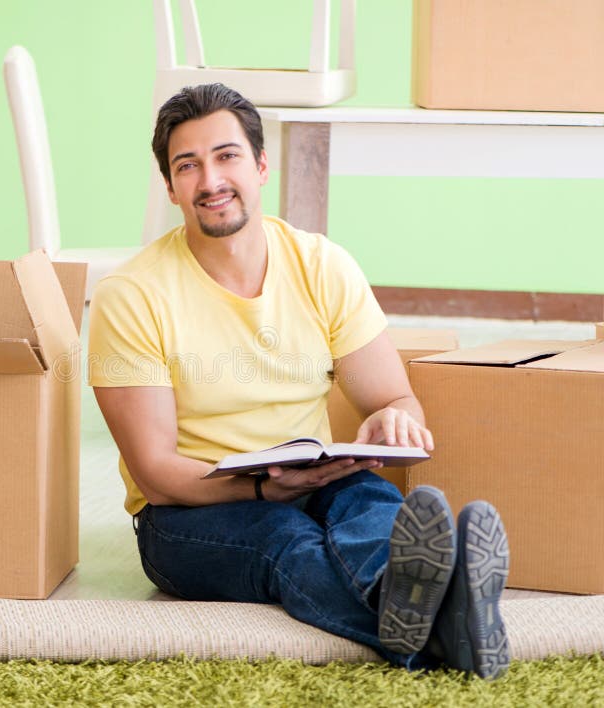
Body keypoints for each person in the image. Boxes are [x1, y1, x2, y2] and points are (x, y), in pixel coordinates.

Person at [88, 83, 510, 679]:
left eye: (227, 155)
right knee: (286, 536)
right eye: (188, 165)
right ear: (170, 186)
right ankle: (449, 624)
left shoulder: (320, 265)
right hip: (189, 516)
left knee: (367, 502)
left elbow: (395, 397)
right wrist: (263, 491)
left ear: (262, 165)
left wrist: (395, 418)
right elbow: (157, 475)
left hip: (316, 477)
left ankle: (428, 606)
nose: (210, 180)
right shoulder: (129, 297)